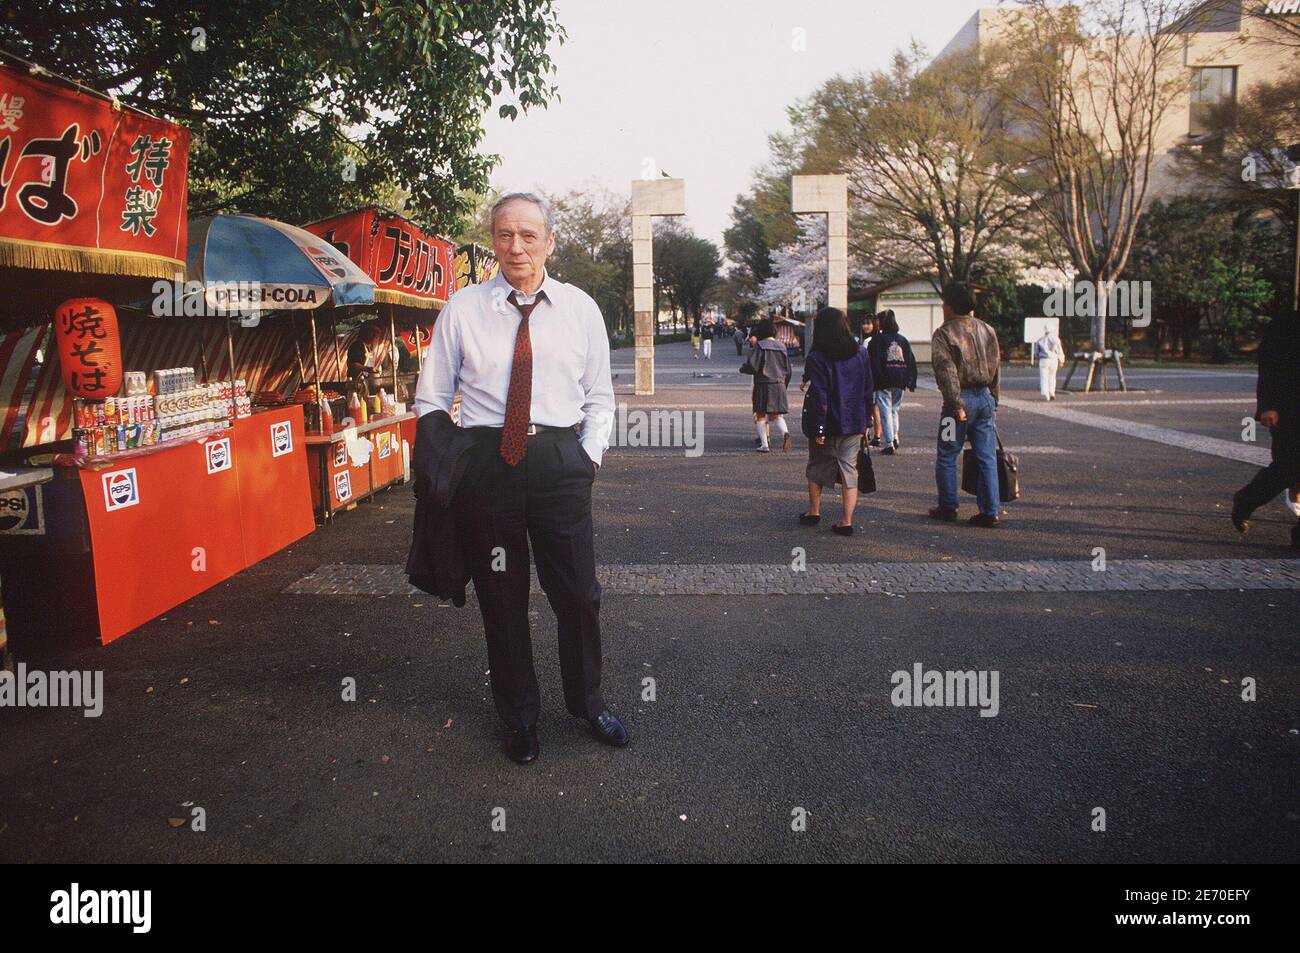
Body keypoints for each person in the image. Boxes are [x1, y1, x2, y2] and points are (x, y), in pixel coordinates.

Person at [414, 191, 625, 765]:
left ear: (550, 242)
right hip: (489, 468)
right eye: (505, 234)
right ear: (493, 241)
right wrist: (456, 463)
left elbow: (600, 397)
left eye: (529, 235)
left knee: (578, 594)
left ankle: (589, 702)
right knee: (502, 601)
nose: (516, 247)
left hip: (560, 464)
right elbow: (430, 398)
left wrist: (589, 458)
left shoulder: (582, 310)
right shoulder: (462, 309)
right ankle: (520, 718)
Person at [929, 281, 1003, 528]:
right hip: (984, 399)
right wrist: (994, 399)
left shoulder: (944, 333)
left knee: (948, 454)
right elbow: (996, 366)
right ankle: (990, 510)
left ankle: (948, 505)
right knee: (986, 456)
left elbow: (946, 371)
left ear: (949, 307)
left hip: (957, 405)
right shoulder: (987, 330)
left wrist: (955, 404)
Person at [800, 307, 873, 535]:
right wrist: (867, 420)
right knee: (849, 469)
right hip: (854, 420)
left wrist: (818, 428)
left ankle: (814, 512)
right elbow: (868, 388)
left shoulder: (817, 357)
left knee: (817, 466)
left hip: (828, 421)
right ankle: (846, 520)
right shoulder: (861, 353)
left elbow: (820, 394)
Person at [1231, 310, 1300, 550]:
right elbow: (1269, 368)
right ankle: (1245, 501)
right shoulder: (1285, 324)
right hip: (1289, 410)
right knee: (1287, 467)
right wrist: (1268, 406)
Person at [868, 309, 917, 455]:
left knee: (885, 411)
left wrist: (874, 380)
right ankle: (895, 436)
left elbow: (873, 362)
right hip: (901, 379)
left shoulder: (877, 340)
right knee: (895, 409)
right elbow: (910, 361)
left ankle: (889, 442)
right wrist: (911, 380)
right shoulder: (903, 340)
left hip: (884, 380)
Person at [741, 317, 792, 452]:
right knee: (776, 415)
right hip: (779, 384)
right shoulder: (782, 347)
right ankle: (785, 433)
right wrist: (784, 385)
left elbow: (753, 366)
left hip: (763, 384)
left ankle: (764, 445)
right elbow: (788, 370)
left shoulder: (760, 345)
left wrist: (743, 368)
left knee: (760, 414)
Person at [1034, 325, 1066, 400]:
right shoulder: (1056, 339)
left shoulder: (1040, 340)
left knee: (1044, 377)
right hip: (1053, 359)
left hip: (1043, 360)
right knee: (1052, 376)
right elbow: (1059, 350)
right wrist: (1061, 360)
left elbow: (1036, 352)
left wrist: (1037, 358)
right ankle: (1052, 392)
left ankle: (1045, 393)